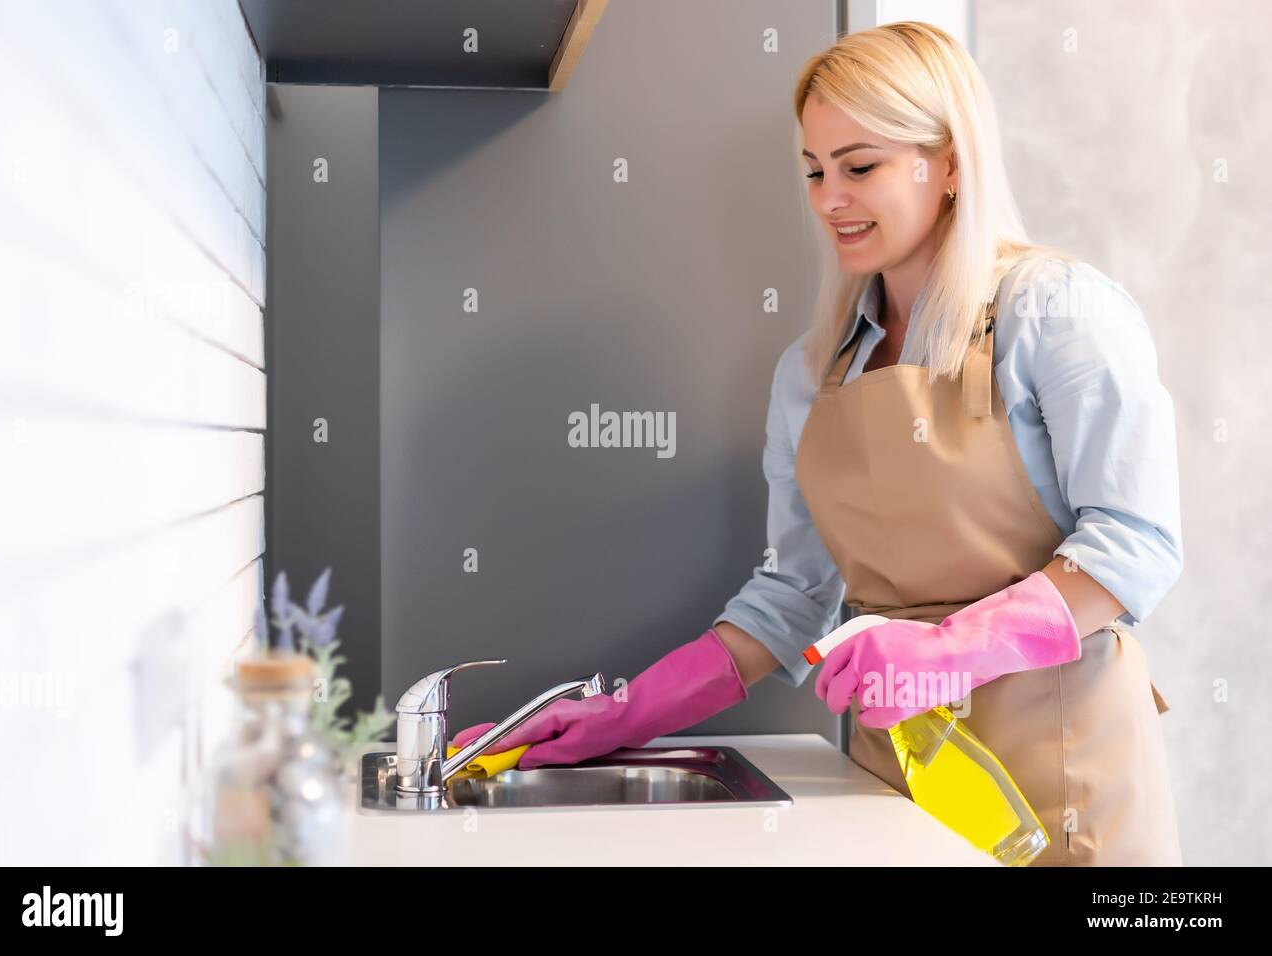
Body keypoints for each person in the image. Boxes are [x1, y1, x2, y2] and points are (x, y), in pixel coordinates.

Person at [452, 21, 1184, 866]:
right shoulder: (813, 375)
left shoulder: (1057, 313)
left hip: (1066, 775)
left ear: (949, 162)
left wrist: (948, 651)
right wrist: (622, 714)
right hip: (897, 785)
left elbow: (1135, 545)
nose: (830, 197)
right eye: (813, 171)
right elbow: (793, 599)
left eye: (859, 166)